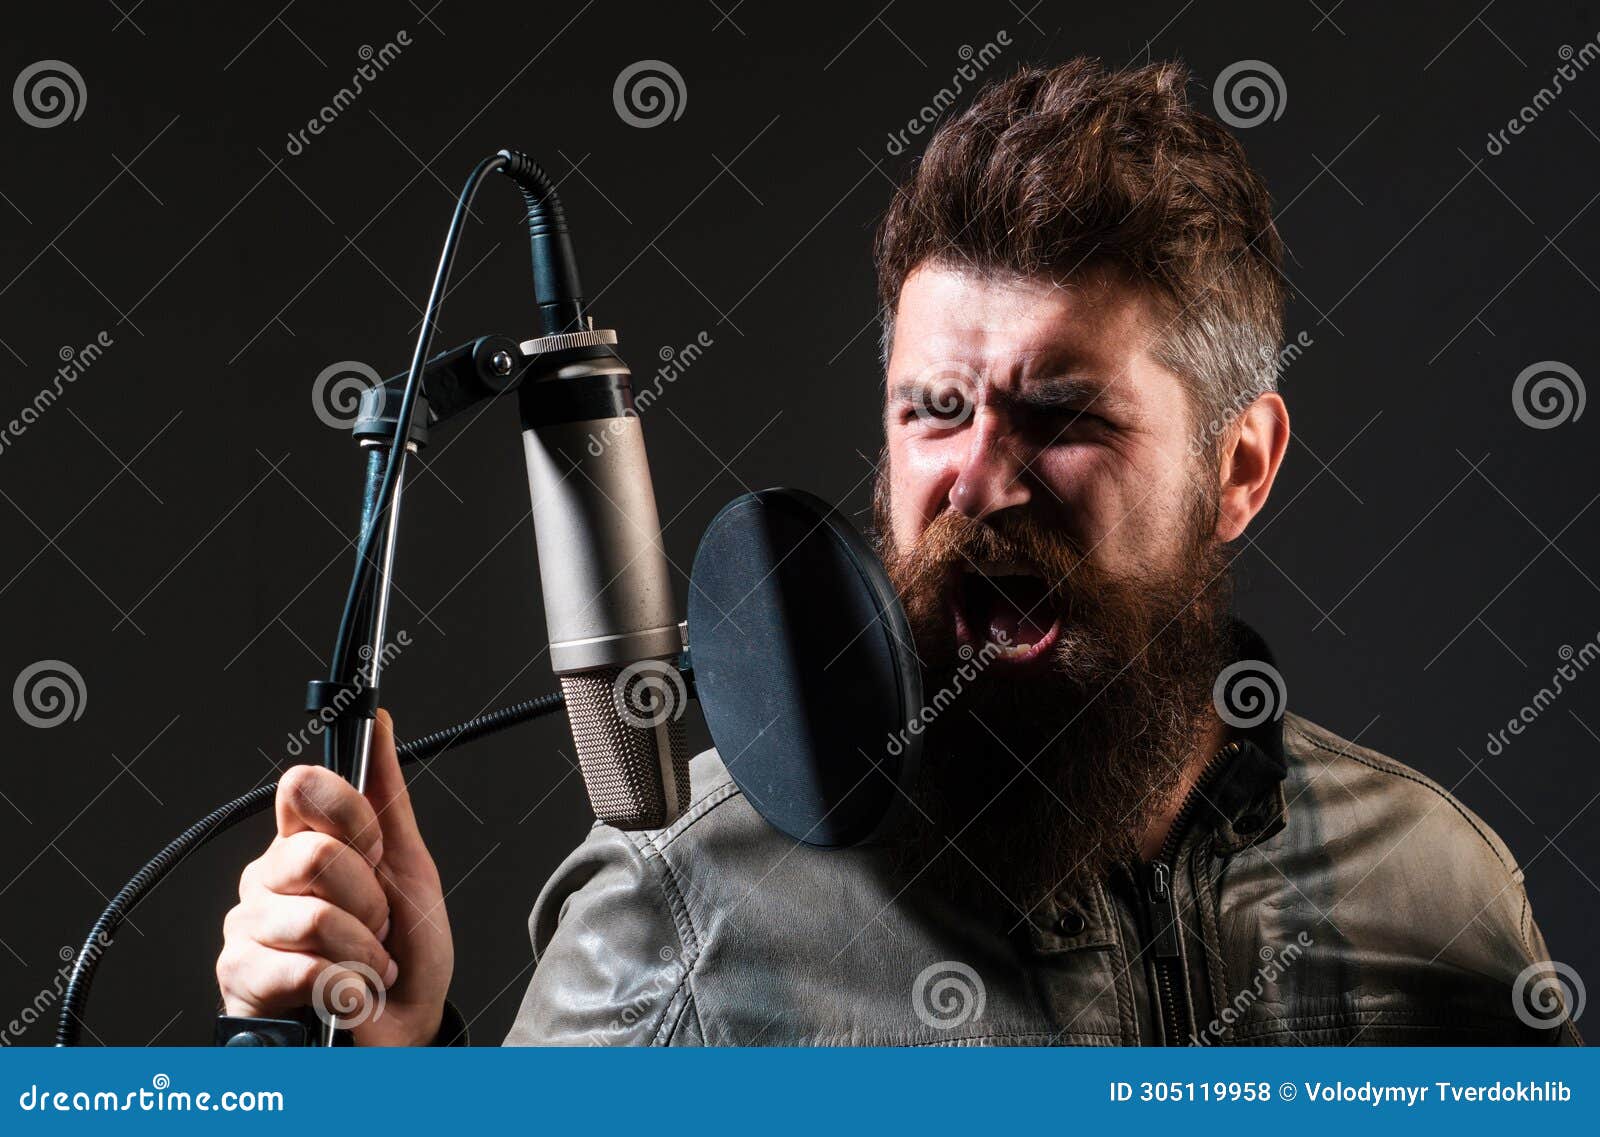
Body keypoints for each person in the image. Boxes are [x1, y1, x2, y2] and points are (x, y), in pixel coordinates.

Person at [216, 58, 1580, 1046]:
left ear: (1240, 468)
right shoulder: (683, 909)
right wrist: (402, 1070)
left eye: (1060, 415)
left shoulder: (1442, 896)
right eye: (934, 409)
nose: (977, 482)